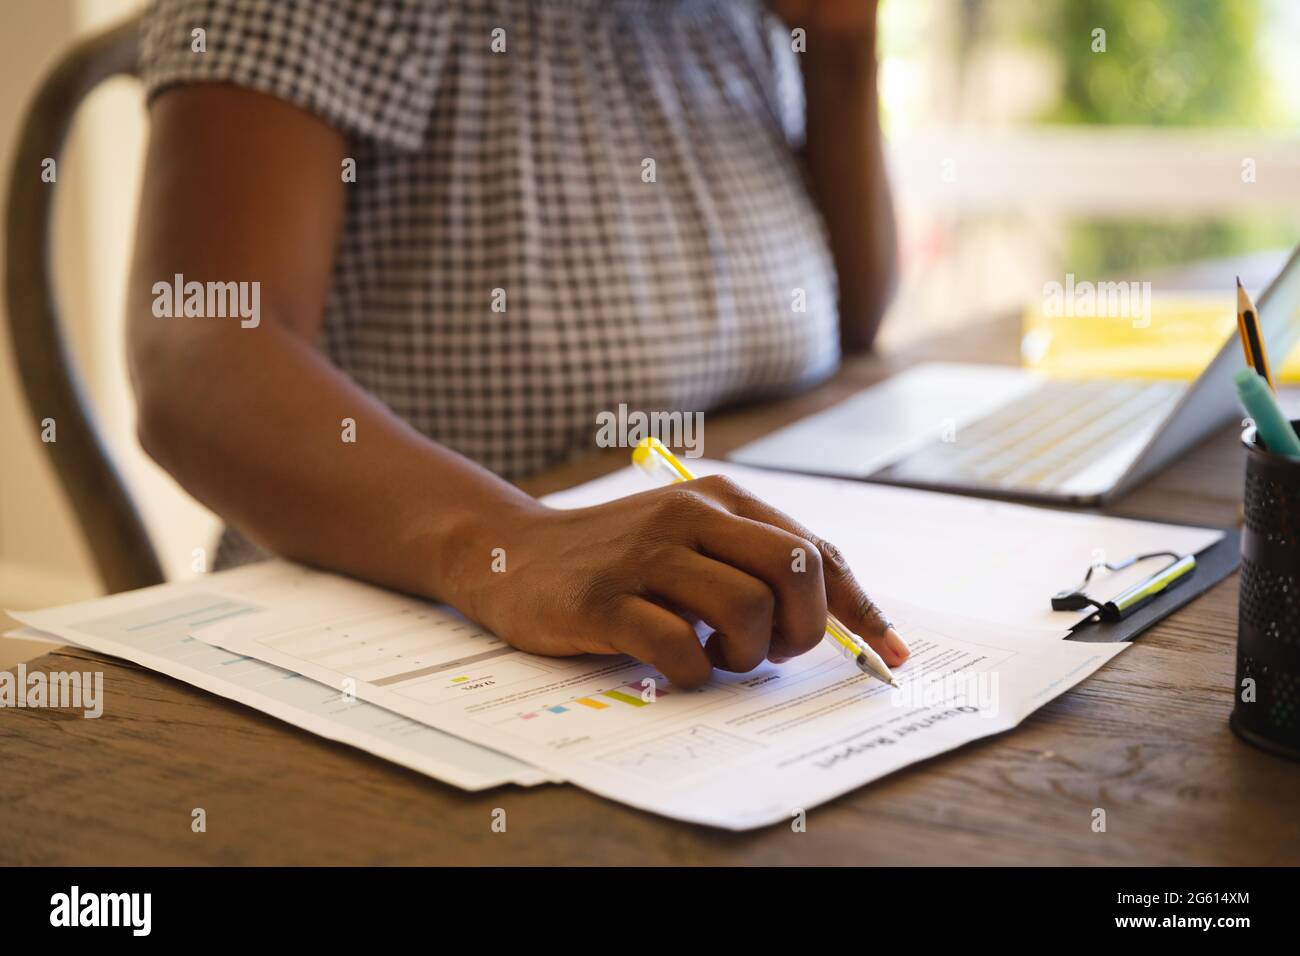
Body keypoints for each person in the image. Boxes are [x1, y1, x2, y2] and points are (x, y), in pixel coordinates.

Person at [127, 0, 908, 688]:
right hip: (375, 650)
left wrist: (839, 45)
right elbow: (196, 347)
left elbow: (852, 320)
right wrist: (503, 545)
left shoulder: (727, 16)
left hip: (669, 648)